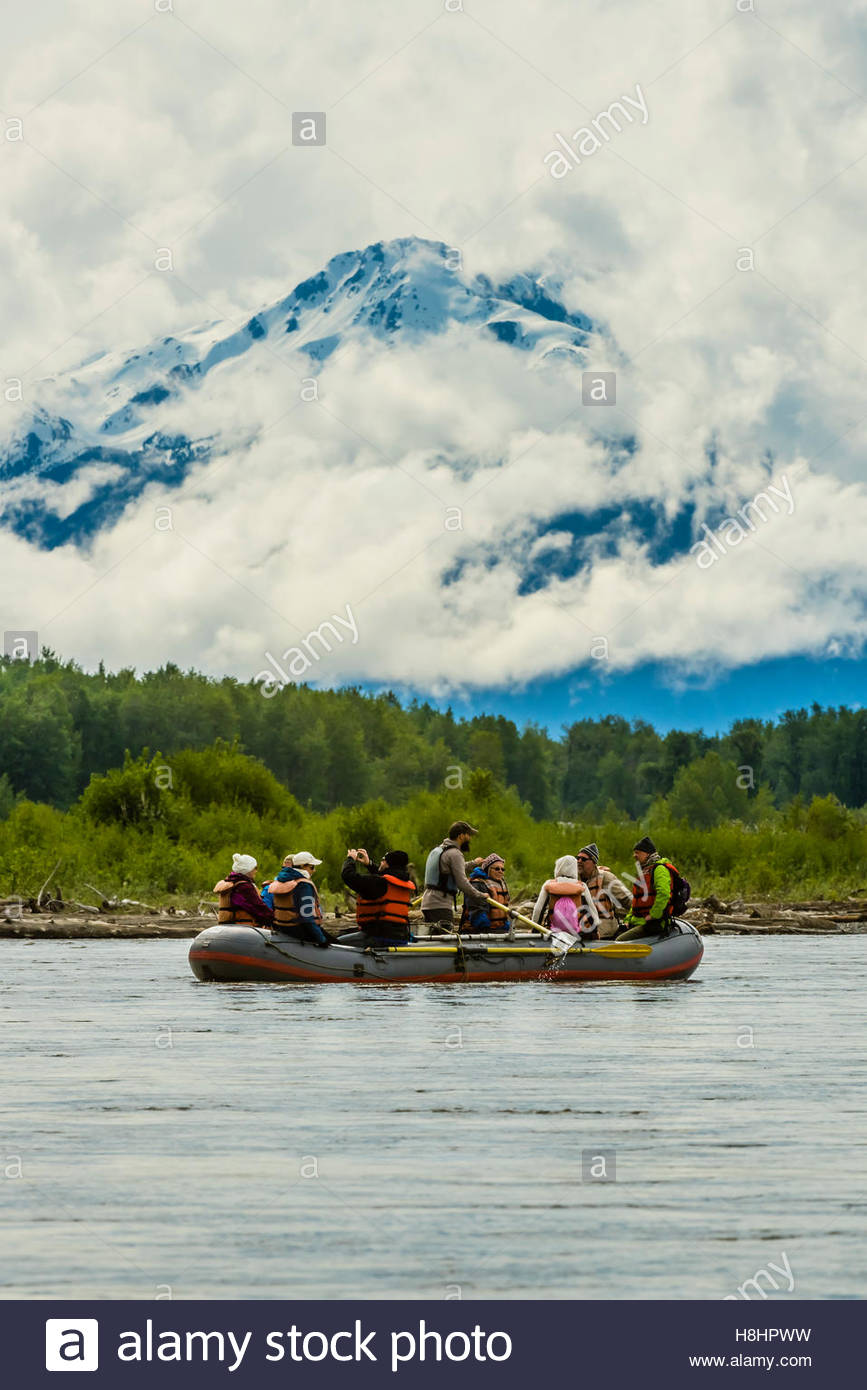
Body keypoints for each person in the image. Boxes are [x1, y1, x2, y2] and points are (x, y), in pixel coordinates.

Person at [340, 848, 415, 945]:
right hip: (400, 936)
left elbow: (348, 876)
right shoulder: (402, 882)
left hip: (378, 937)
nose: (380, 861)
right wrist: (369, 864)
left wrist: (350, 859)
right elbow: (384, 877)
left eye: (383, 859)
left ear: (388, 864)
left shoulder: (381, 883)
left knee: (336, 942)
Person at [421, 820, 488, 930]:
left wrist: (474, 863)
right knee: (445, 944)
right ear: (461, 836)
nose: (470, 839)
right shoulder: (455, 854)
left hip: (428, 904)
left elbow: (454, 868)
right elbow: (462, 883)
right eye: (468, 835)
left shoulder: (440, 849)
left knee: (433, 943)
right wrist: (480, 895)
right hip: (440, 906)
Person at [619, 836, 677, 939]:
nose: (634, 855)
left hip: (654, 923)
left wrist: (653, 915)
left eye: (637, 852)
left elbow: (663, 894)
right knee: (615, 934)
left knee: (620, 940)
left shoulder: (659, 869)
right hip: (638, 921)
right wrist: (627, 919)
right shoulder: (644, 871)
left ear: (647, 853)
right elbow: (637, 901)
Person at [269, 850, 330, 947]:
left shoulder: (282, 880)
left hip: (282, 929)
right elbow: (306, 919)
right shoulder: (304, 885)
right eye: (312, 867)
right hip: (299, 931)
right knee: (334, 943)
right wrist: (322, 940)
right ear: (303, 866)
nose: (314, 870)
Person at [574, 842, 631, 939]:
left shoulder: (606, 878)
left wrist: (633, 920)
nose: (579, 861)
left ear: (593, 862)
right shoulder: (575, 880)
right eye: (577, 858)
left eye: (583, 859)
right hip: (581, 926)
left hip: (603, 928)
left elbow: (628, 900)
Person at [532, 855, 593, 937]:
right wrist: (594, 933)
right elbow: (592, 911)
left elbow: (538, 910)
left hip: (553, 932)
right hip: (576, 933)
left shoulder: (549, 884)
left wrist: (535, 930)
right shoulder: (582, 886)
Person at [214, 853, 274, 926]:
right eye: (255, 868)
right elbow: (257, 908)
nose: (256, 871)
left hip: (229, 926)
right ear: (248, 870)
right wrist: (274, 919)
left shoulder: (232, 882)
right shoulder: (244, 887)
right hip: (243, 928)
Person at [461, 853, 511, 932]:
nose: (500, 871)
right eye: (497, 869)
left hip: (499, 929)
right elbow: (476, 910)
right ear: (487, 869)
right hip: (479, 930)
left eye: (502, 869)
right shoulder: (478, 883)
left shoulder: (502, 883)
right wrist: (485, 928)